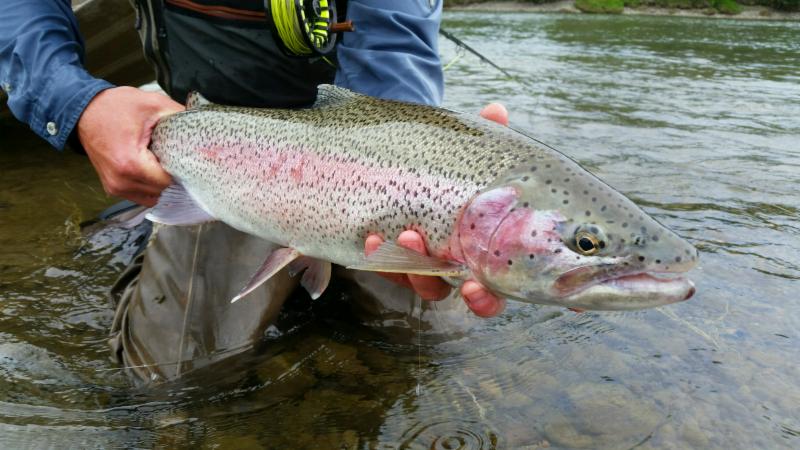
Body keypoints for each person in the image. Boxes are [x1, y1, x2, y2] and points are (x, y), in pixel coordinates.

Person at [0, 0, 506, 384]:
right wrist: (76, 103)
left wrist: (411, 175)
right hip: (222, 138)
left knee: (431, 350)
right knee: (175, 380)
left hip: (369, 147)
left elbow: (393, 38)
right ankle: (149, 230)